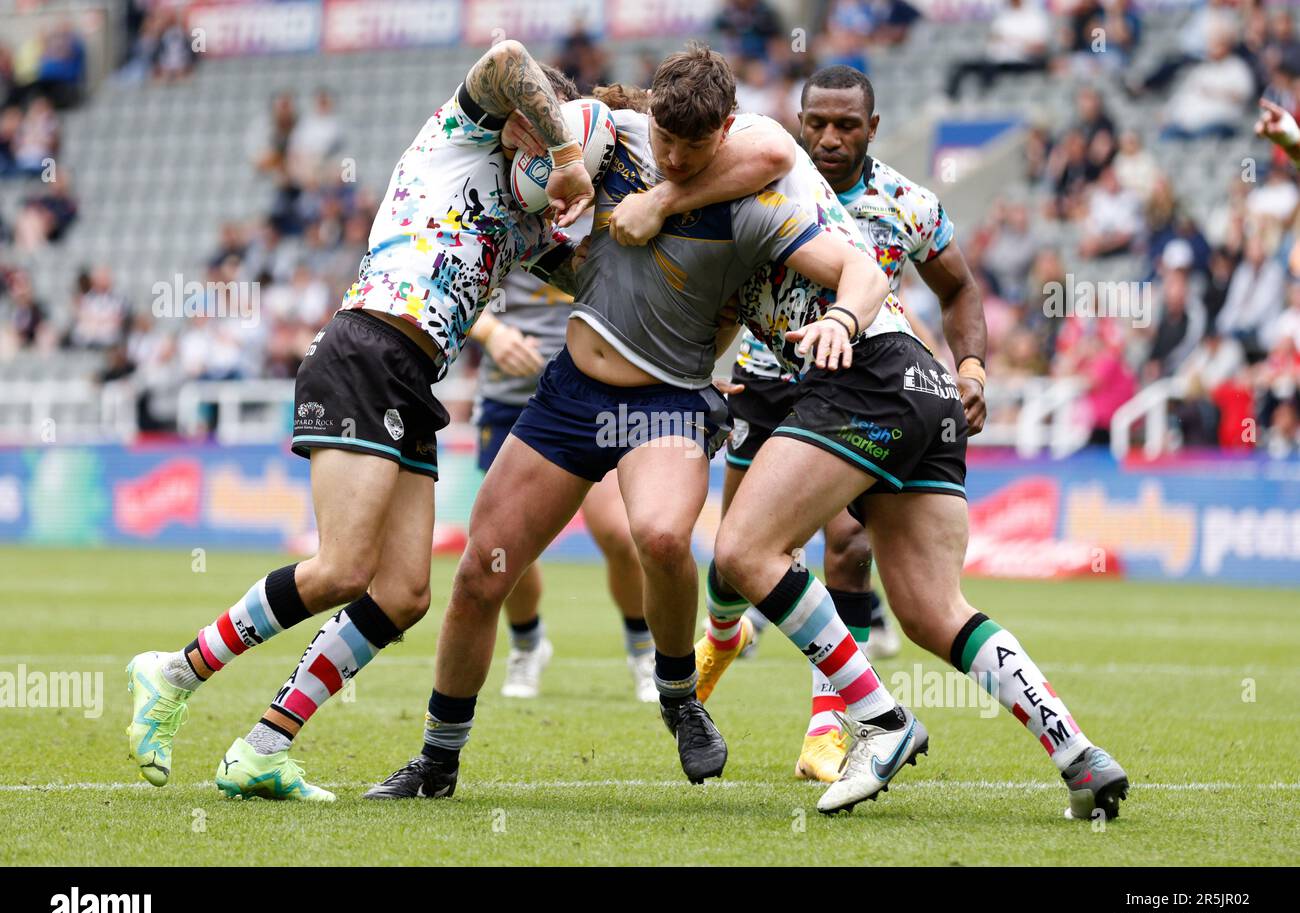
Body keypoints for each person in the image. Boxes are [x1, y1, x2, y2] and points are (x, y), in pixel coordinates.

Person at [363, 43, 893, 800]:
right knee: (484, 570)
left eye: (692, 145)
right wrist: (558, 161)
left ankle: (678, 697)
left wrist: (839, 311)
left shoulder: (754, 188)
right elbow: (542, 119)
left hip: (671, 401)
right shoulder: (610, 135)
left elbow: (783, 152)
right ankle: (437, 759)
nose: (673, 157)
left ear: (725, 129)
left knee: (665, 537)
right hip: (572, 393)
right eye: (665, 141)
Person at [125, 40, 596, 801]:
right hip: (366, 348)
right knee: (342, 569)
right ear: (519, 121)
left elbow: (598, 281)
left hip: (412, 380)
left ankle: (263, 745)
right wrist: (571, 151)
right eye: (535, 128)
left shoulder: (525, 217)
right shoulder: (460, 135)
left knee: (405, 592)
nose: (536, 146)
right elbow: (508, 55)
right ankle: (172, 671)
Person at [680, 65, 989, 783]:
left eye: (846, 125)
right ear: (797, 120)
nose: (828, 136)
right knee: (738, 554)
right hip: (768, 376)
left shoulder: (907, 204)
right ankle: (723, 633)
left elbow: (959, 287)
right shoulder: (763, 185)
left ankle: (828, 726)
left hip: (860, 389)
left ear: (872, 129)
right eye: (815, 121)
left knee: (847, 548)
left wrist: (970, 369)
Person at [469, 268, 656, 702]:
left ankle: (643, 650)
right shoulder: (502, 209)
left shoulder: (615, 207)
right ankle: (528, 643)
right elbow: (449, 288)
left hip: (593, 393)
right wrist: (493, 333)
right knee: (503, 548)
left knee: (619, 533)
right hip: (510, 396)